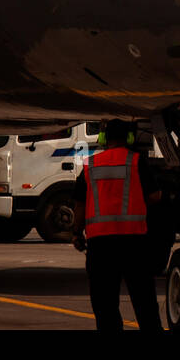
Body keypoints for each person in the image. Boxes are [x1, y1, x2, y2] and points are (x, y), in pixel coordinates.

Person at [72, 120, 163, 331]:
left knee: (105, 307)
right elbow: (156, 195)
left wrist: (77, 233)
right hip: (134, 243)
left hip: (100, 245)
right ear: (129, 138)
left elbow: (79, 203)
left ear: (104, 139)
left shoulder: (90, 165)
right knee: (145, 304)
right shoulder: (137, 161)